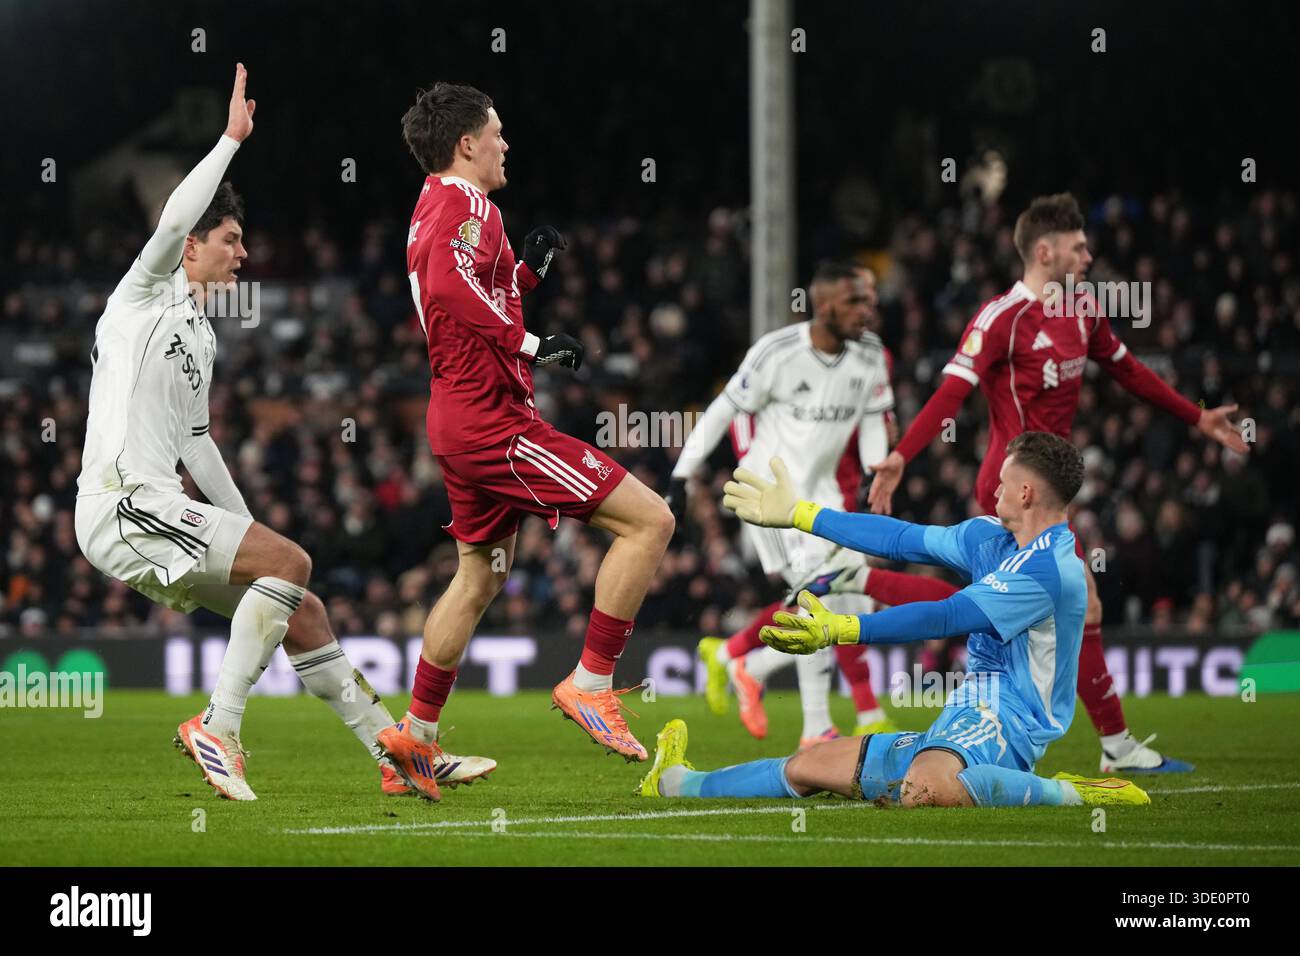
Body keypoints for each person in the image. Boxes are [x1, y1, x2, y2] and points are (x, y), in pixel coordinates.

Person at [74, 65, 407, 801]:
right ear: (191, 246)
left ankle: (394, 749)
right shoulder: (140, 296)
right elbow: (169, 219)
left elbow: (198, 445)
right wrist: (229, 140)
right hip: (122, 501)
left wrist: (248, 536)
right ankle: (218, 729)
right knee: (289, 564)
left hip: (155, 505)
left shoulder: (200, 334)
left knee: (300, 601)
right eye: (229, 239)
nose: (244, 253)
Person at [847, 193, 1246, 774]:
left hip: (1053, 488)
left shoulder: (1084, 306)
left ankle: (861, 577)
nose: (1088, 255)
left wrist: (1196, 415)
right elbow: (952, 392)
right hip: (1012, 486)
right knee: (1073, 604)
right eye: (1078, 246)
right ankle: (1115, 747)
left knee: (1023, 605)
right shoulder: (1001, 318)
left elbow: (1129, 370)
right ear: (1044, 250)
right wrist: (903, 455)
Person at [378, 82, 675, 801]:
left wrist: (525, 274)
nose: (506, 144)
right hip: (494, 423)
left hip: (456, 417)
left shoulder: (431, 204)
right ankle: (591, 682)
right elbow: (451, 293)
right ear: (467, 143)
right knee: (650, 521)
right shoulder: (468, 203)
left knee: (478, 575)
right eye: (498, 133)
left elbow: (469, 290)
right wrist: (533, 342)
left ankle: (415, 742)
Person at [638, 432, 1150, 809]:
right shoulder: (989, 536)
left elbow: (949, 614)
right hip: (971, 710)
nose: (994, 483)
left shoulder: (1051, 570)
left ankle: (1070, 792)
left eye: (1005, 478)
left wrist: (847, 630)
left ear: (1026, 494)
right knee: (808, 766)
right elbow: (902, 538)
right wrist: (803, 514)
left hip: (1011, 719)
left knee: (924, 791)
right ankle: (675, 781)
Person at [667, 262, 895, 747]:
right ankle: (817, 728)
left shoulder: (871, 355)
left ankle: (748, 663)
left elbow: (874, 419)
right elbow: (723, 410)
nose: (868, 310)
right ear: (828, 304)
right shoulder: (778, 352)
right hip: (769, 494)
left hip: (827, 497)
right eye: (857, 302)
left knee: (853, 602)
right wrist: (682, 475)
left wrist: (877, 472)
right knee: (817, 598)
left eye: (869, 302)